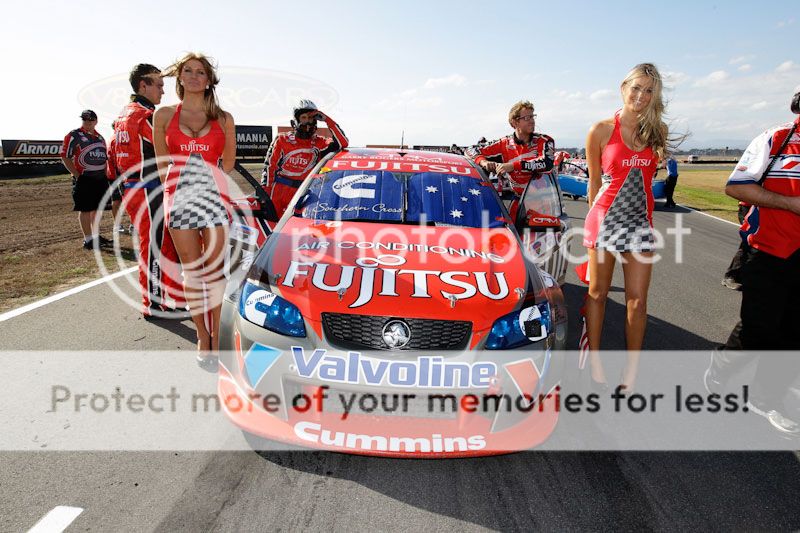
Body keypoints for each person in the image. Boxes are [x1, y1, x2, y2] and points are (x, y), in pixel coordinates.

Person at [704, 91, 800, 436]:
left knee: (793, 333)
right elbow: (737, 187)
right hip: (770, 250)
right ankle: (721, 366)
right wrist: (790, 204)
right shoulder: (777, 139)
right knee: (758, 329)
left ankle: (766, 397)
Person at [582, 63, 672, 392]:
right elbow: (594, 185)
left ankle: (631, 373)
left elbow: (649, 181)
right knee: (598, 294)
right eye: (636, 88)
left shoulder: (656, 131)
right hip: (605, 219)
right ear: (624, 88)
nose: (641, 96)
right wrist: (593, 231)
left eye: (649, 90)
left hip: (639, 224)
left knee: (638, 301)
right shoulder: (601, 130)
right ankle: (594, 360)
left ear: (655, 96)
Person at [154, 52, 236, 370]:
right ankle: (203, 335)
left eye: (199, 72)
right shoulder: (163, 115)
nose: (192, 76)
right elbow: (161, 164)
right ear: (180, 78)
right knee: (193, 273)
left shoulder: (225, 118)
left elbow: (228, 163)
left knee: (215, 273)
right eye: (187, 71)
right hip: (180, 199)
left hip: (214, 199)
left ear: (208, 80)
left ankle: (218, 338)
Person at [109, 63, 185, 318]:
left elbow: (112, 157)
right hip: (148, 189)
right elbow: (171, 149)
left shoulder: (122, 115)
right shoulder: (146, 115)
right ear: (143, 85)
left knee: (165, 245)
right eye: (159, 85)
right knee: (154, 247)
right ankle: (153, 303)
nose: (163, 92)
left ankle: (175, 298)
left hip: (134, 188)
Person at [465, 100, 554, 218]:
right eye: (527, 118)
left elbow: (547, 163)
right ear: (514, 122)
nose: (532, 120)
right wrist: (483, 162)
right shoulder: (504, 143)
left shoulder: (545, 141)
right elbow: (470, 150)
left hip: (543, 203)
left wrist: (513, 166)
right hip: (519, 201)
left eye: (532, 116)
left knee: (543, 235)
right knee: (509, 234)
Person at [261, 100, 348, 218]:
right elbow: (269, 168)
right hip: (278, 191)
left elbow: (343, 143)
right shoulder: (282, 139)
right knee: (274, 228)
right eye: (303, 117)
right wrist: (265, 194)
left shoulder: (320, 142)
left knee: (299, 230)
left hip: (304, 193)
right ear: (296, 120)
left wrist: (327, 120)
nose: (307, 121)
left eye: (311, 118)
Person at [60, 110, 110, 250]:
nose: (87, 123)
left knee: (97, 209)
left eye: (90, 120)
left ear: (96, 121)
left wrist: (105, 175)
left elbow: (104, 158)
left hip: (100, 179)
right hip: (84, 178)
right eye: (85, 120)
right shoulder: (74, 135)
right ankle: (88, 239)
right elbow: (65, 156)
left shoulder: (100, 137)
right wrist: (77, 175)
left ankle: (95, 236)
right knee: (85, 209)